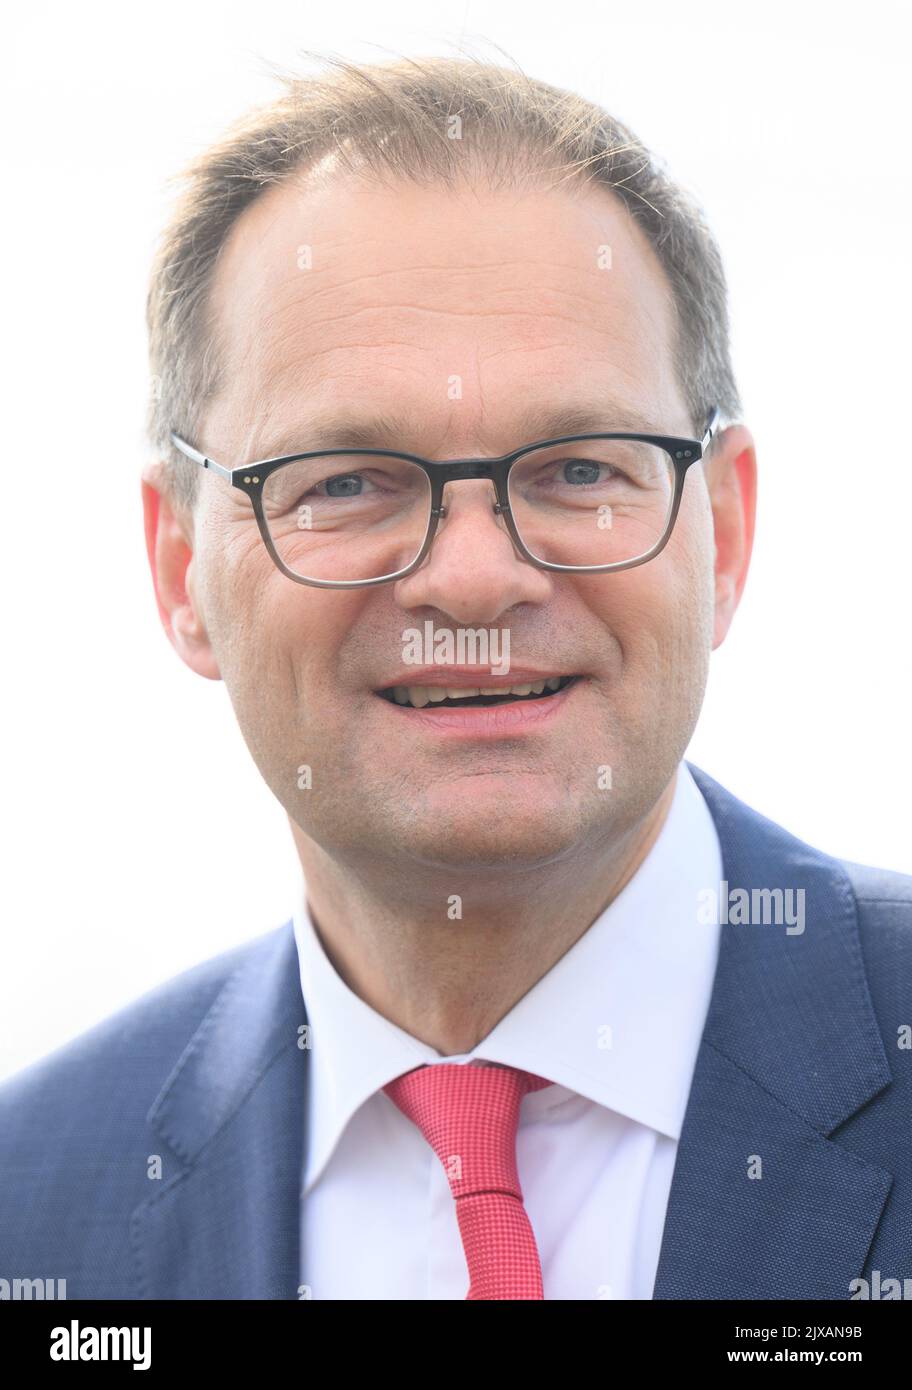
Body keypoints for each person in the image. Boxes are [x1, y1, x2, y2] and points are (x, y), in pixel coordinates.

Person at [2, 54, 910, 1302]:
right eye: (347, 481)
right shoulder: (32, 1203)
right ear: (180, 566)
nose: (475, 581)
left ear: (727, 531)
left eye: (581, 469)